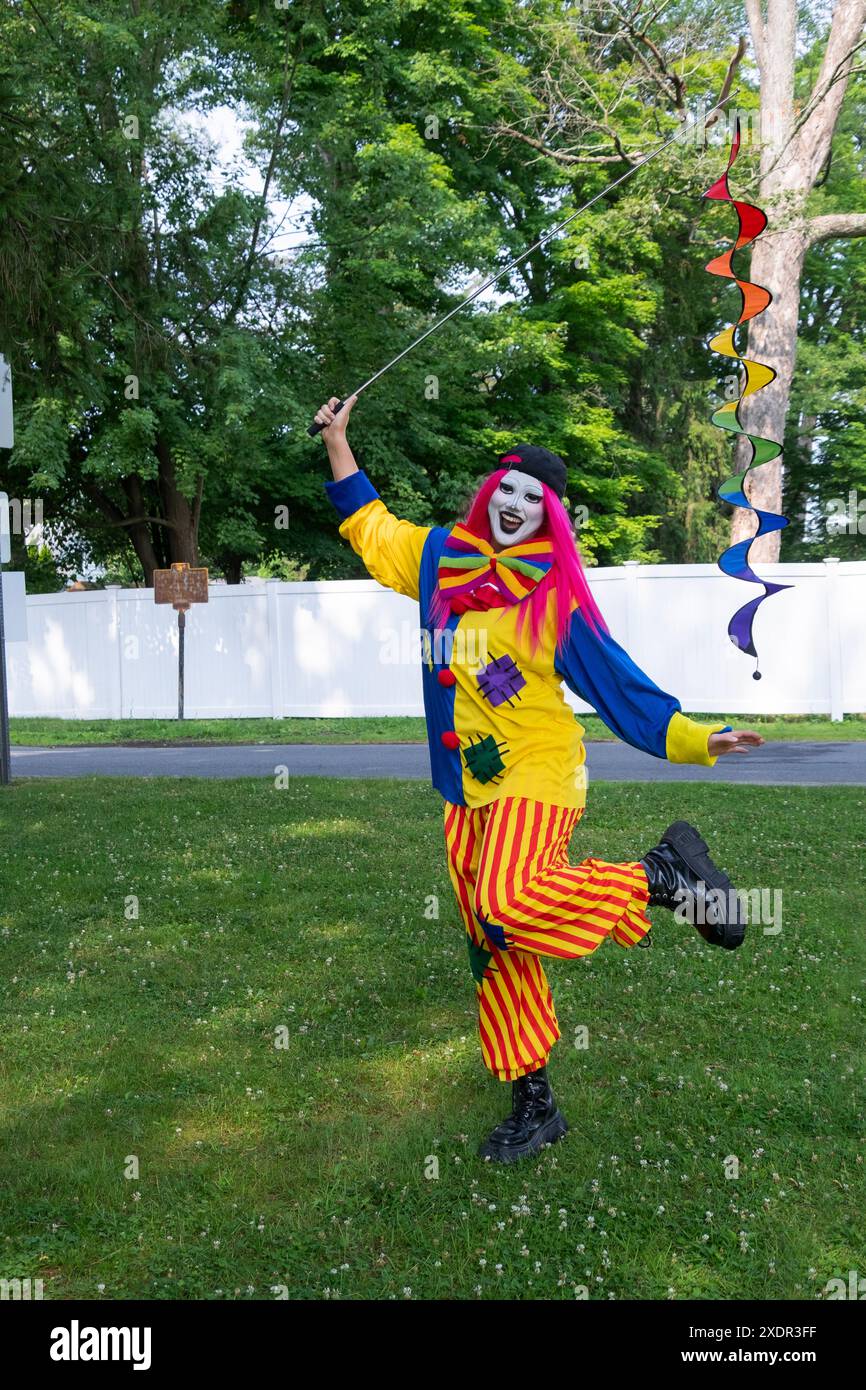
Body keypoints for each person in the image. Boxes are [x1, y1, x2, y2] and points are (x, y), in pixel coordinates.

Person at [314, 394, 764, 1163]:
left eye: (535, 497)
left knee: (508, 897)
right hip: (465, 786)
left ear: (549, 514)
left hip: (540, 770)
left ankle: (660, 873)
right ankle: (536, 1103)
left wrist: (694, 738)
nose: (517, 504)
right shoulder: (437, 560)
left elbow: (616, 685)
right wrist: (338, 441)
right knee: (492, 939)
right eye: (507, 489)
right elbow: (371, 525)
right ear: (489, 497)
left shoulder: (554, 597)